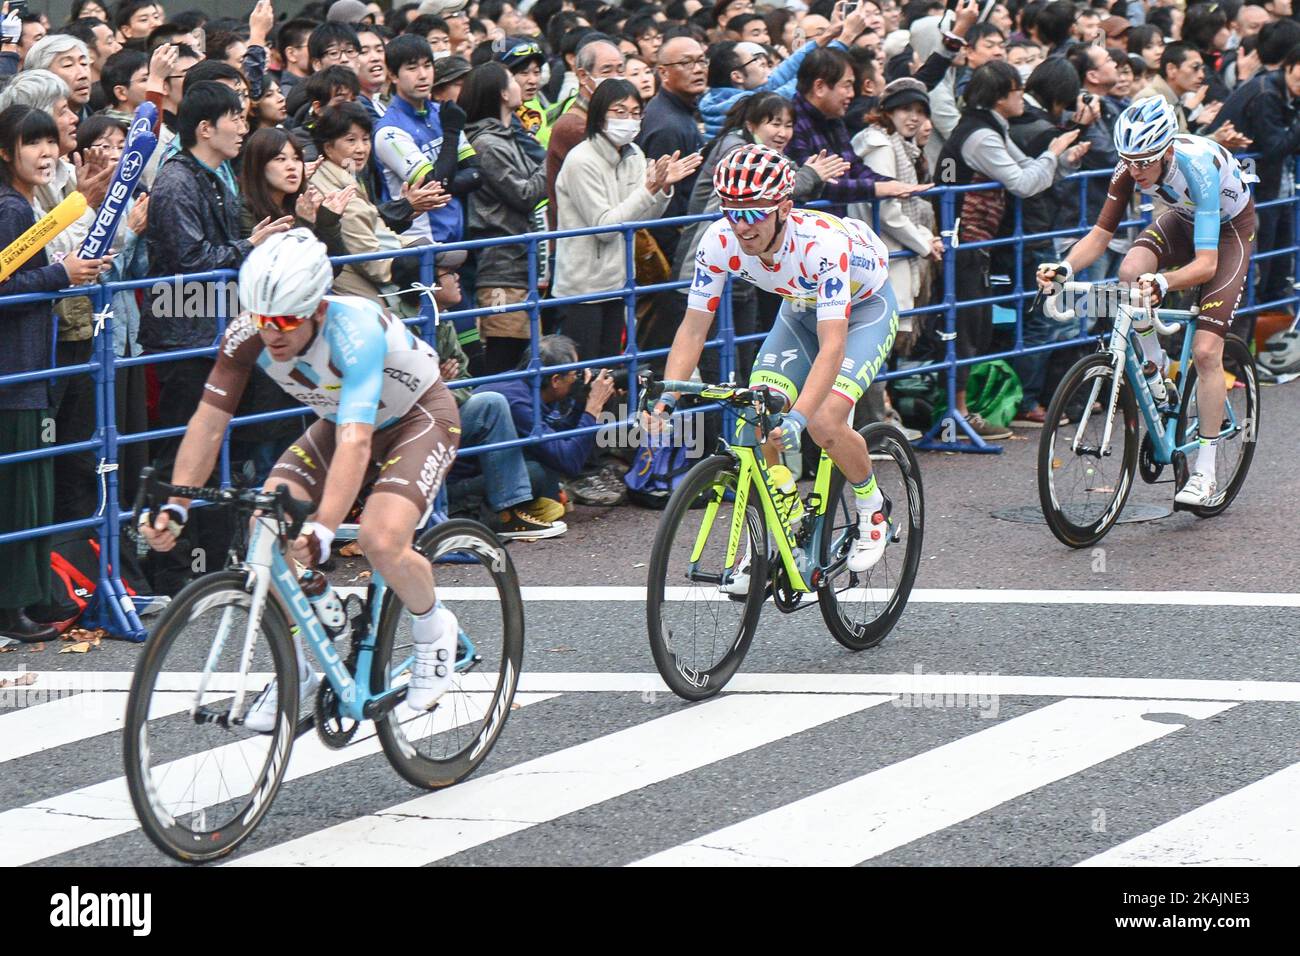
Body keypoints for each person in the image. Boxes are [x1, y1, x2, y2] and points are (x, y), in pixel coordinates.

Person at [140, 229, 464, 724]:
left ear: (317, 309)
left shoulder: (353, 330)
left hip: (416, 418)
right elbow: (207, 422)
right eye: (264, 319)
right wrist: (177, 505)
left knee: (381, 539)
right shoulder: (246, 334)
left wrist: (324, 528)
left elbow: (356, 443)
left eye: (287, 320)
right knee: (265, 528)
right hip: (342, 421)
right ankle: (296, 671)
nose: (273, 333)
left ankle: (433, 629)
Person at [650, 143, 900, 585]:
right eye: (732, 212)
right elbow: (693, 328)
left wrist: (801, 418)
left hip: (864, 312)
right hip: (799, 309)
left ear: (784, 208)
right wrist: (668, 396)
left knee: (824, 420)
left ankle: (871, 505)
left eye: (754, 214)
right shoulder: (719, 240)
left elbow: (833, 346)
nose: (742, 227)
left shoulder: (821, 245)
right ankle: (773, 536)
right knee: (761, 411)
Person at [1036, 97, 1258, 507]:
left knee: (1207, 352)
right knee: (1128, 272)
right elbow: (1100, 237)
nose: (1135, 171)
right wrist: (1064, 268)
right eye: (1129, 161)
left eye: (1145, 162)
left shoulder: (1198, 169)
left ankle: (1205, 475)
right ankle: (1156, 372)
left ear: (1167, 150)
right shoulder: (1130, 167)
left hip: (1228, 233)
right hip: (1184, 218)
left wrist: (1163, 280)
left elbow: (1206, 265)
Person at [0, 104, 110, 642]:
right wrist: (60, 274)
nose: (47, 152)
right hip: (17, 370)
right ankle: (16, 608)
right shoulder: (11, 209)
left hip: (24, 366)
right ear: (5, 152)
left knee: (29, 487)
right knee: (24, 491)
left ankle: (29, 601)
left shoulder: (23, 204)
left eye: (50, 142)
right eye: (31, 144)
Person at [938, 60, 1087, 440]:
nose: (1023, 97)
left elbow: (1030, 170)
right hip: (962, 239)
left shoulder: (991, 127)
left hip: (977, 242)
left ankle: (962, 411)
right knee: (965, 327)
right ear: (1001, 97)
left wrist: (1061, 158)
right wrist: (1054, 153)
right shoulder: (981, 135)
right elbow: (1023, 182)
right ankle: (957, 415)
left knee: (977, 325)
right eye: (1017, 90)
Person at [553, 78, 700, 364]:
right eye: (620, 112)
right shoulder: (581, 160)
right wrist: (649, 190)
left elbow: (642, 217)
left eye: (635, 113)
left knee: (611, 371)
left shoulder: (633, 156)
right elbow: (606, 227)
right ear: (599, 114)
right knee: (581, 373)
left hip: (619, 283)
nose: (629, 120)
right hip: (582, 289)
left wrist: (662, 189)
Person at [462, 61, 549, 373]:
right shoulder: (487, 144)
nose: (522, 83)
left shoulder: (509, 135)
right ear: (501, 92)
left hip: (519, 262)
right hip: (500, 268)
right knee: (503, 355)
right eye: (513, 77)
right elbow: (524, 195)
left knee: (524, 355)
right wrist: (553, 160)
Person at [852, 77, 941, 318]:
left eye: (920, 111)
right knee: (883, 329)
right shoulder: (880, 145)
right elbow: (887, 210)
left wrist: (924, 238)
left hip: (887, 250)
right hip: (883, 253)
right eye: (906, 109)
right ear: (888, 111)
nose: (914, 117)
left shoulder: (898, 145)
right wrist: (923, 244)